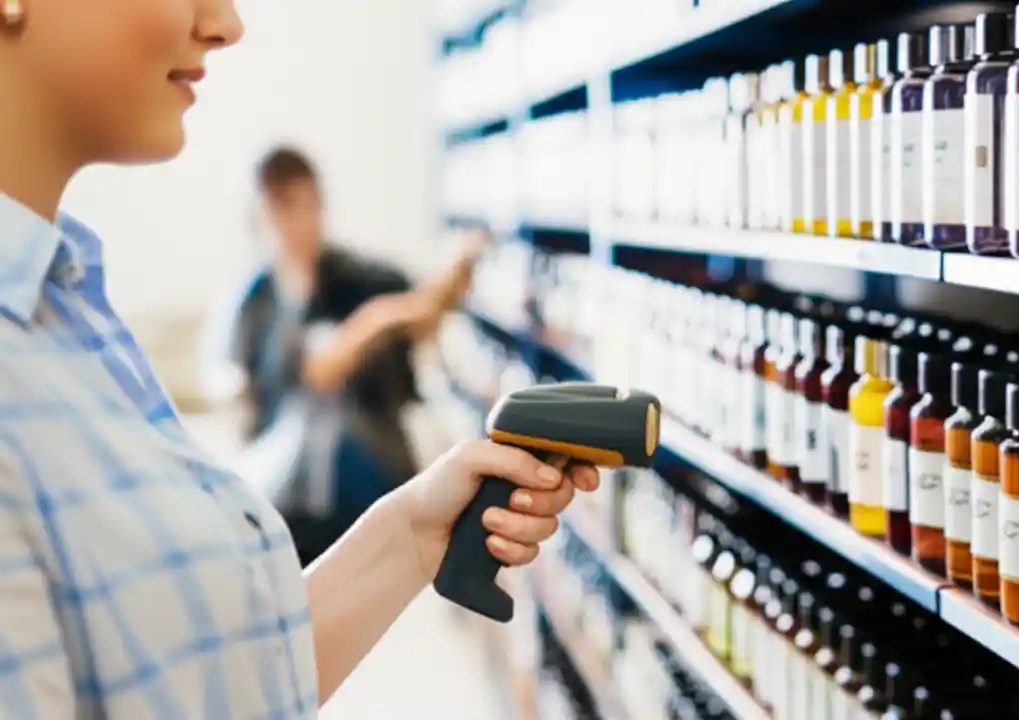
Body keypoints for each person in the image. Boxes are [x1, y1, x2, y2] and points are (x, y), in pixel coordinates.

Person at [0, 1, 598, 717]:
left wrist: (411, 535)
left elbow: (216, 684)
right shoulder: (245, 305)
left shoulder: (69, 304)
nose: (227, 22)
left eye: (303, 203)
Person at [210, 146, 478, 565]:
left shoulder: (362, 279)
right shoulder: (251, 305)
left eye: (306, 206)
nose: (297, 224)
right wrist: (376, 321)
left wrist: (456, 269)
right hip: (281, 481)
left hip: (365, 464)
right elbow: (300, 377)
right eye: (281, 210)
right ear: (259, 218)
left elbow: (423, 310)